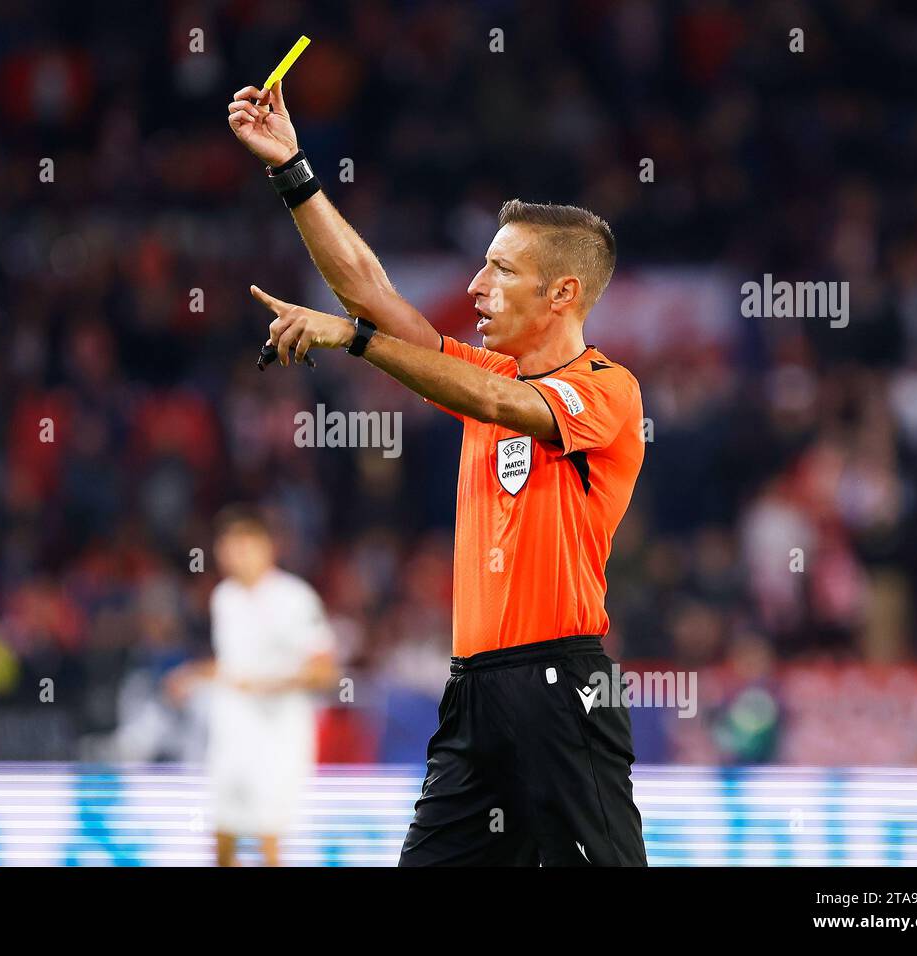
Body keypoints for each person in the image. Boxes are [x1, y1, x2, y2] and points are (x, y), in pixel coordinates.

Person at [226, 80, 648, 866]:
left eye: (498, 271)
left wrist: (353, 343)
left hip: (562, 692)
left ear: (562, 292)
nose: (474, 289)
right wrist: (293, 168)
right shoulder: (487, 377)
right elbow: (370, 293)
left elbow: (492, 396)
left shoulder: (606, 391)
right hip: (474, 696)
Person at [166, 505, 336, 866]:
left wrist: (267, 684)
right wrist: (192, 674)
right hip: (231, 735)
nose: (234, 556)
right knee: (222, 839)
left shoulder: (295, 598)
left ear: (267, 547)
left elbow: (325, 671)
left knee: (268, 841)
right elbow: (233, 664)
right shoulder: (224, 597)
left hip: (278, 738)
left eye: (244, 546)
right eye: (227, 547)